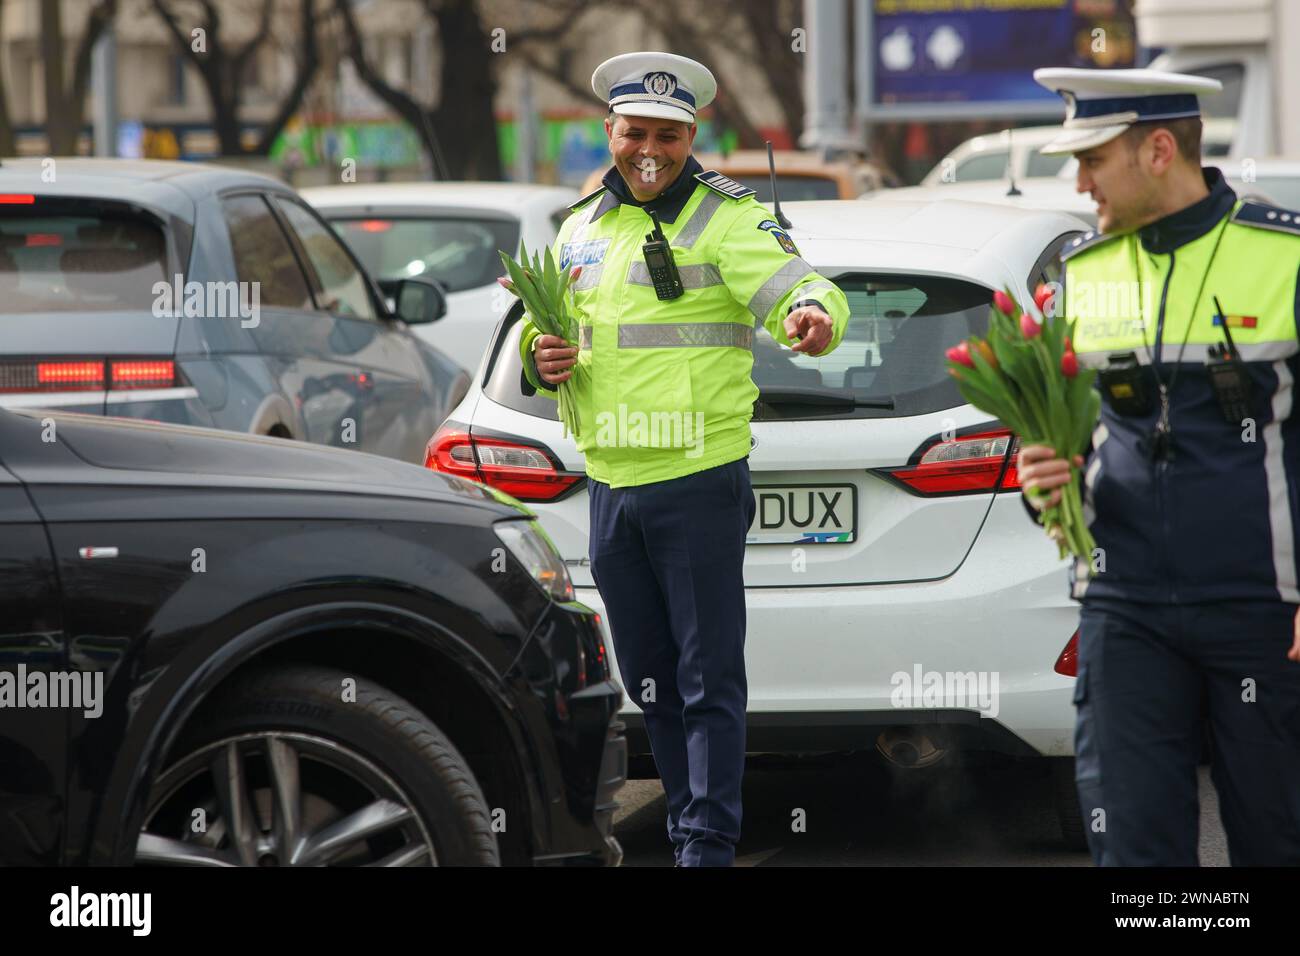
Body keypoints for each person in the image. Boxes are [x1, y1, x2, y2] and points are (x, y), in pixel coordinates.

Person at [516, 51, 849, 867]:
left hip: (697, 479)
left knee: (706, 683)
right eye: (635, 133)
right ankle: (681, 831)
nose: (650, 149)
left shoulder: (726, 217)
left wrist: (813, 319)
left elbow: (806, 289)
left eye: (668, 134)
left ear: (691, 134)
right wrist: (538, 356)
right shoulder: (581, 225)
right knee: (652, 682)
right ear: (611, 132)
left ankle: (707, 845)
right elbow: (548, 333)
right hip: (611, 485)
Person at [1018, 67, 1300, 865]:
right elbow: (1059, 444)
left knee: (1277, 839)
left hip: (1267, 611)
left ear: (1159, 149)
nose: (1079, 182)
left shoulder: (1285, 254)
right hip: (1125, 608)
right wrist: (1045, 484)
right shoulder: (1078, 274)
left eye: (1093, 159)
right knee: (1137, 850)